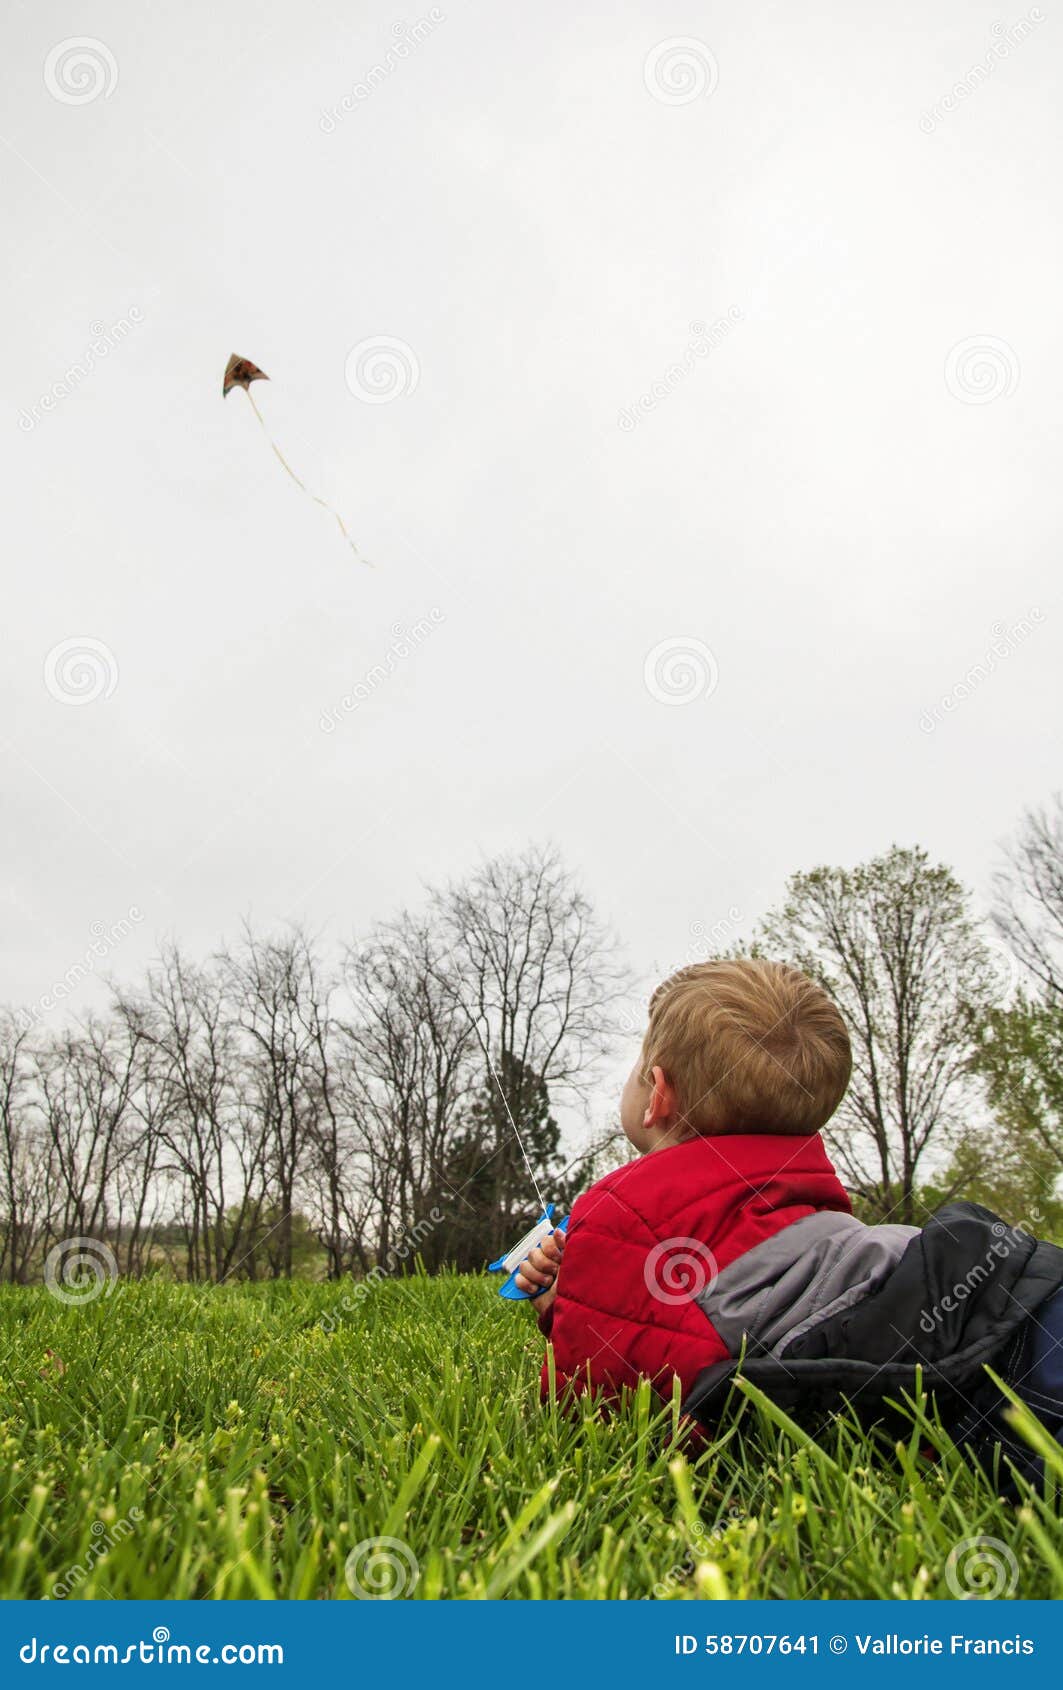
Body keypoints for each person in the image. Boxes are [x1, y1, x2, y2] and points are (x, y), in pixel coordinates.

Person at [515, 959, 1063, 1481]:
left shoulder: (625, 1209)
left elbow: (601, 1408)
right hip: (1010, 1295)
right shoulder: (811, 1200)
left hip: (995, 1381)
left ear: (657, 1094)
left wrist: (560, 1309)